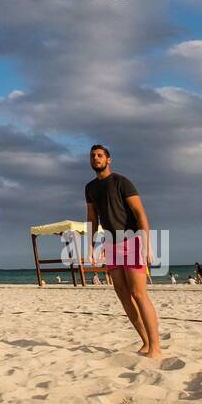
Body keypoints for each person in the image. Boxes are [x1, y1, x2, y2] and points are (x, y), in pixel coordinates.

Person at [85, 145, 162, 358]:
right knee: (123, 295)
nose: (96, 158)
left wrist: (147, 244)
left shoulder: (121, 182)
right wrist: (91, 246)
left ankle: (156, 347)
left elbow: (140, 213)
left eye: (100, 155)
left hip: (132, 240)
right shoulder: (90, 188)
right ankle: (146, 343)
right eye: (93, 156)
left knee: (138, 294)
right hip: (110, 244)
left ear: (108, 160)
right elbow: (92, 218)